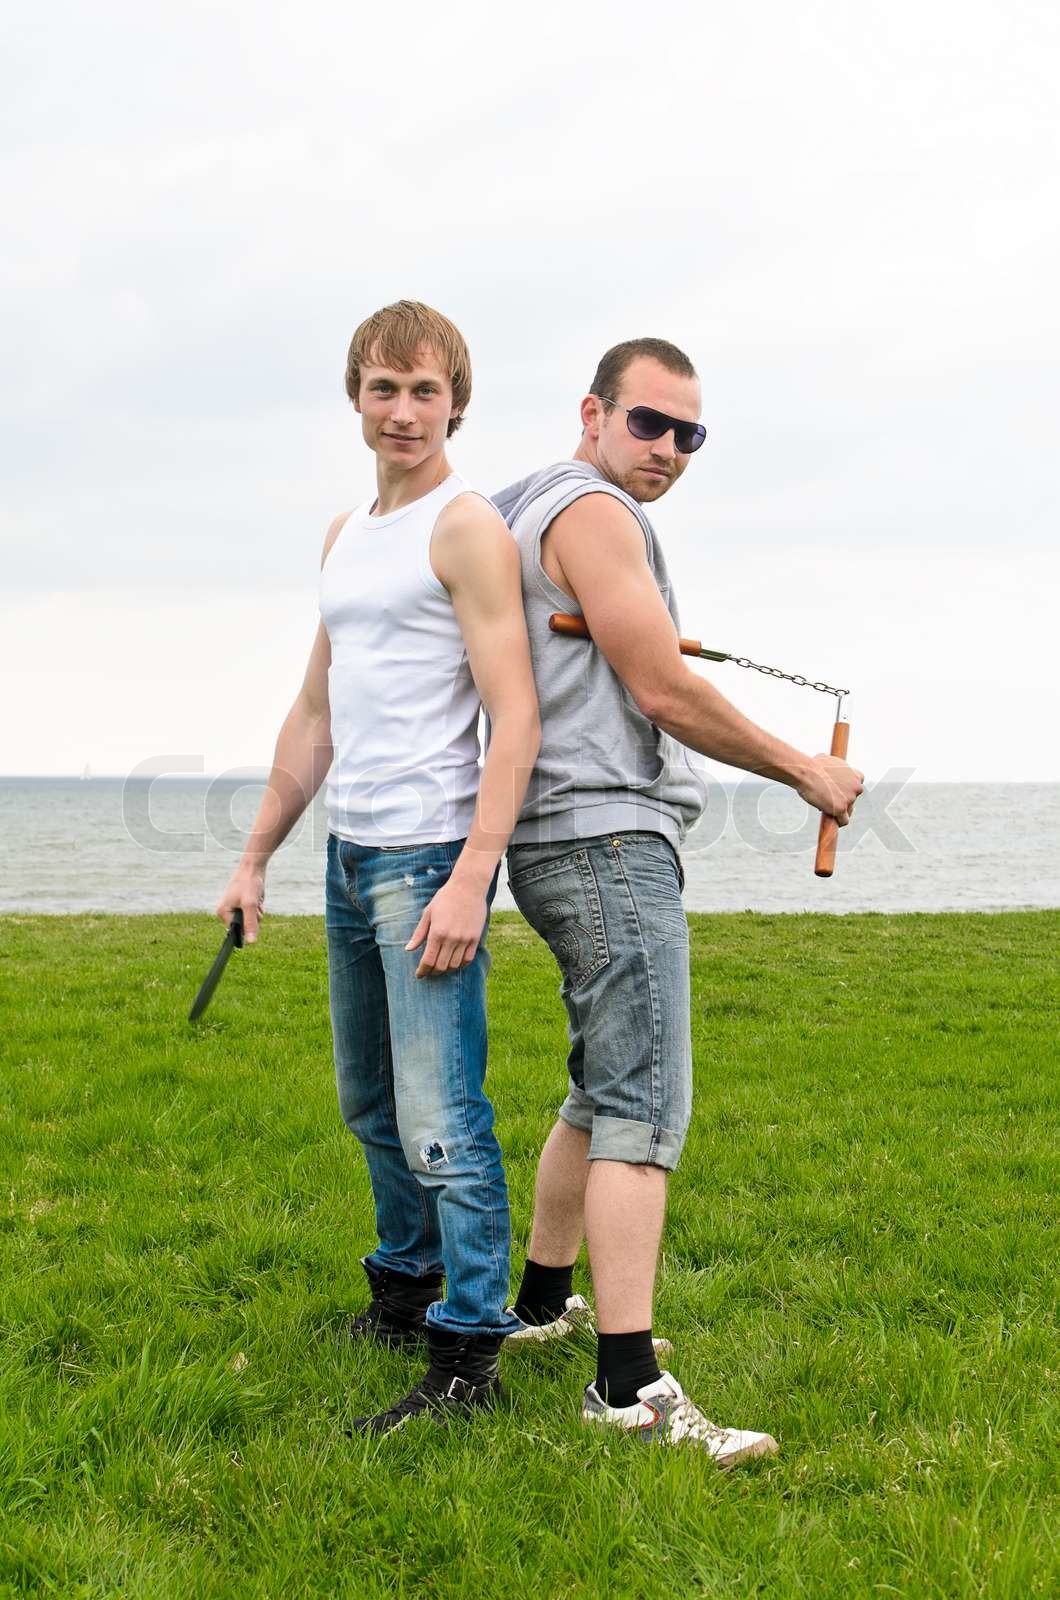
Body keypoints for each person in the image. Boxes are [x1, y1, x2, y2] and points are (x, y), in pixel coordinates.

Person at [493, 337, 863, 1465]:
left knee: (600, 1090)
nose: (667, 449)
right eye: (648, 422)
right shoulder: (596, 513)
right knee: (646, 1106)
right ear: (594, 411)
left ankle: (541, 1302)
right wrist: (806, 769)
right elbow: (659, 686)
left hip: (551, 833)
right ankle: (629, 1384)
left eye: (689, 434)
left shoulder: (520, 506)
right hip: (605, 832)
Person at [219, 300, 539, 1435]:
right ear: (354, 396)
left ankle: (466, 1354)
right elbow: (315, 709)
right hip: (350, 854)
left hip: (428, 855)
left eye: (424, 390)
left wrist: (471, 875)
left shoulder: (465, 528)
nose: (402, 411)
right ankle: (403, 1295)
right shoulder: (345, 535)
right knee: (371, 1104)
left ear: (457, 399)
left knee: (442, 1115)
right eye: (381, 388)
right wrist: (256, 854)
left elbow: (515, 714)